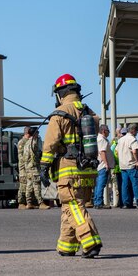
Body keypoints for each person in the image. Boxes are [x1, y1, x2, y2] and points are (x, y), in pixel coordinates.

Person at [40, 74, 102, 257]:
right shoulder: (89, 113)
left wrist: (44, 166)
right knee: (72, 205)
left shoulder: (59, 115)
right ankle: (67, 246)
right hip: (88, 169)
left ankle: (91, 241)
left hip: (69, 168)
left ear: (61, 93)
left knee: (71, 205)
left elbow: (50, 144)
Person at [17, 126, 46, 209]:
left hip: (28, 166)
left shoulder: (29, 142)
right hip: (25, 167)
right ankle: (21, 202)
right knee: (24, 185)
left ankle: (30, 202)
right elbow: (23, 157)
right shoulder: (23, 142)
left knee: (29, 185)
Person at [116, 125, 138, 208]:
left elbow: (116, 151)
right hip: (131, 165)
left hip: (123, 165)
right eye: (137, 131)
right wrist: (137, 162)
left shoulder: (120, 140)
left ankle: (126, 203)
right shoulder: (132, 139)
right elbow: (135, 151)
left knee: (125, 185)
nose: (137, 133)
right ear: (134, 131)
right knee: (135, 184)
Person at [93, 123, 113, 209]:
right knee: (101, 185)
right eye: (108, 131)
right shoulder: (102, 140)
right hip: (102, 165)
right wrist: (106, 164)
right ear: (104, 131)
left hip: (99, 166)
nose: (109, 133)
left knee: (98, 185)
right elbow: (102, 152)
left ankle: (97, 201)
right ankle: (99, 202)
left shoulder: (98, 139)